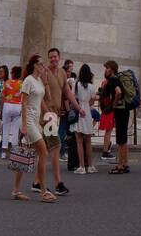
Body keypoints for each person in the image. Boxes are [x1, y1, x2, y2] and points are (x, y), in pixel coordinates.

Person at [13, 54, 55, 203]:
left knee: (25, 155)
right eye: (42, 64)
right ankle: (43, 191)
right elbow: (23, 103)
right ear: (35, 65)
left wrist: (47, 115)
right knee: (43, 152)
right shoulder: (28, 80)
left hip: (36, 122)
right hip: (29, 121)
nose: (44, 66)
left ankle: (16, 190)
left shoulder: (39, 81)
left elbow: (46, 99)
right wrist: (24, 125)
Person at [39, 47, 80, 195]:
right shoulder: (44, 72)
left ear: (59, 57)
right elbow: (40, 96)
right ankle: (58, 183)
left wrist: (78, 108)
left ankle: (37, 182)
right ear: (48, 58)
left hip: (55, 115)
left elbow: (67, 92)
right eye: (51, 57)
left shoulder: (62, 72)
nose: (53, 59)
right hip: (47, 116)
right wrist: (47, 113)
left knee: (43, 150)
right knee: (56, 147)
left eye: (55, 57)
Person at [102, 59, 132, 175]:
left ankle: (120, 166)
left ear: (112, 69)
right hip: (125, 110)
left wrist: (114, 104)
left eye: (107, 68)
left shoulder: (113, 80)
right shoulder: (118, 79)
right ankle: (125, 163)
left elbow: (118, 92)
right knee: (123, 138)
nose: (105, 70)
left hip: (120, 110)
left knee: (120, 139)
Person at [73, 63, 97, 174]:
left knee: (79, 141)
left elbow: (73, 98)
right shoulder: (92, 87)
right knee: (88, 141)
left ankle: (81, 166)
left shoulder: (76, 84)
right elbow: (92, 102)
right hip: (87, 111)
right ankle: (91, 166)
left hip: (79, 111)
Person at [0, 65, 23, 160]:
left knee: (5, 129)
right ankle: (14, 151)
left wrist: (1, 108)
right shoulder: (21, 83)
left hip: (7, 105)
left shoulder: (7, 82)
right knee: (15, 130)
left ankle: (4, 153)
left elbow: (2, 96)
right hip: (18, 106)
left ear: (12, 73)